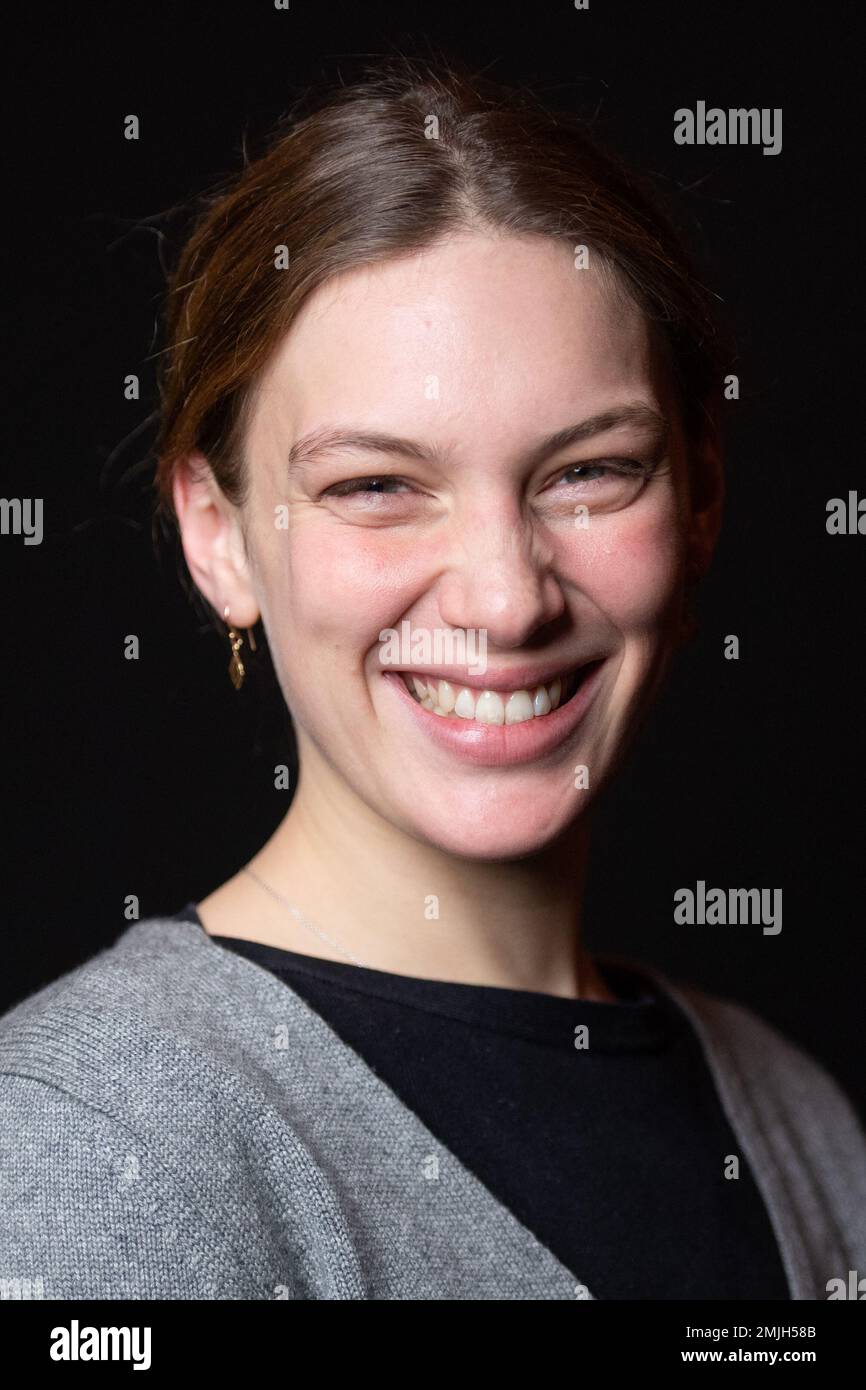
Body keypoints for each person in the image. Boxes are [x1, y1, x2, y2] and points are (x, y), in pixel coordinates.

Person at [1, 55, 864, 1301]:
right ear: (221, 535)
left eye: (588, 471)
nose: (505, 596)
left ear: (701, 496)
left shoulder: (800, 1120)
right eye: (374, 487)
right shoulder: (94, 1149)